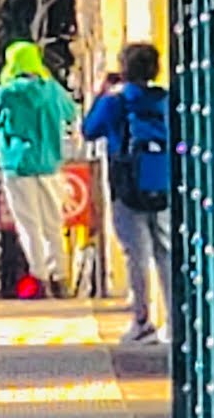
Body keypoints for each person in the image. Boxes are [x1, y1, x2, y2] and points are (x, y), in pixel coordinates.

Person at [82, 43, 171, 344]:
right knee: (165, 252)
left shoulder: (115, 102)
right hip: (163, 183)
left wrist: (101, 92)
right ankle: (174, 321)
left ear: (124, 70)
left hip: (127, 187)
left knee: (137, 255)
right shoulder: (165, 99)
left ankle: (142, 321)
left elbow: (89, 130)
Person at [0, 40, 79, 298]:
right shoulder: (53, 90)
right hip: (50, 164)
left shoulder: (6, 92)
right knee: (53, 223)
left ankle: (40, 278)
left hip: (18, 164)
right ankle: (61, 278)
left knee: (29, 225)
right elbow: (72, 114)